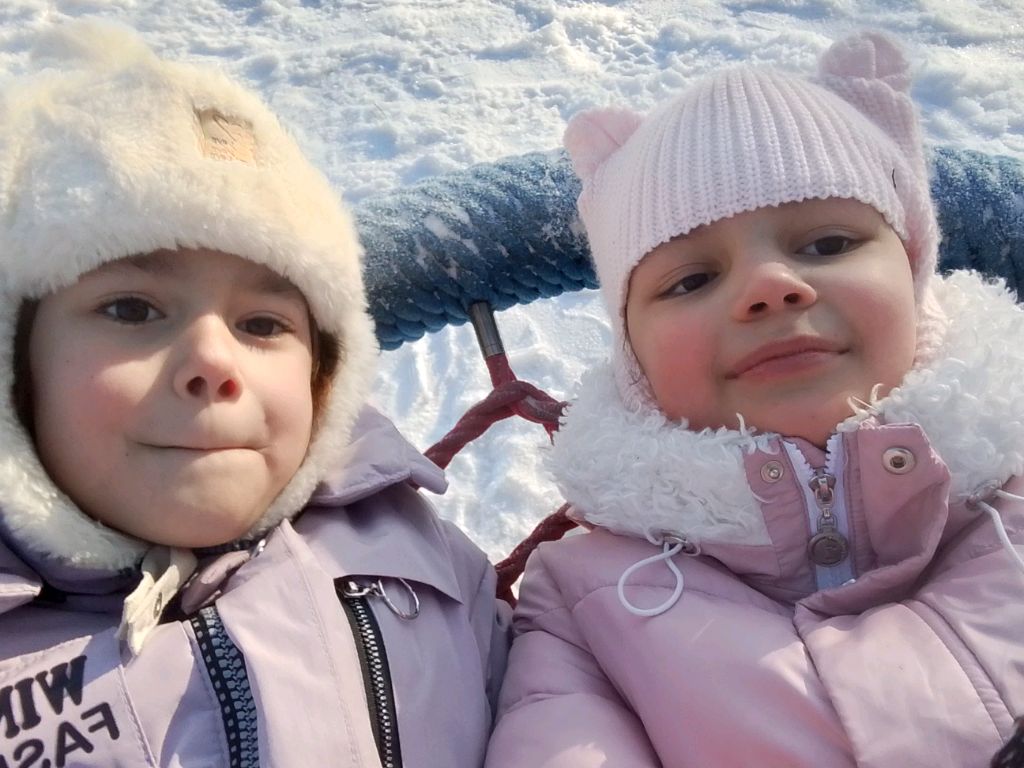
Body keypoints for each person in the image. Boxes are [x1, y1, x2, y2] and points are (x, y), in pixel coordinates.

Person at [485, 30, 1024, 767]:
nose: (770, 287)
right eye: (691, 280)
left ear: (914, 273)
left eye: (827, 244)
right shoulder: (584, 602)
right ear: (633, 358)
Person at [0, 20, 508, 767]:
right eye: (132, 309)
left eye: (263, 324)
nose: (213, 360)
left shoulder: (409, 538)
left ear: (325, 374)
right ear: (16, 369)